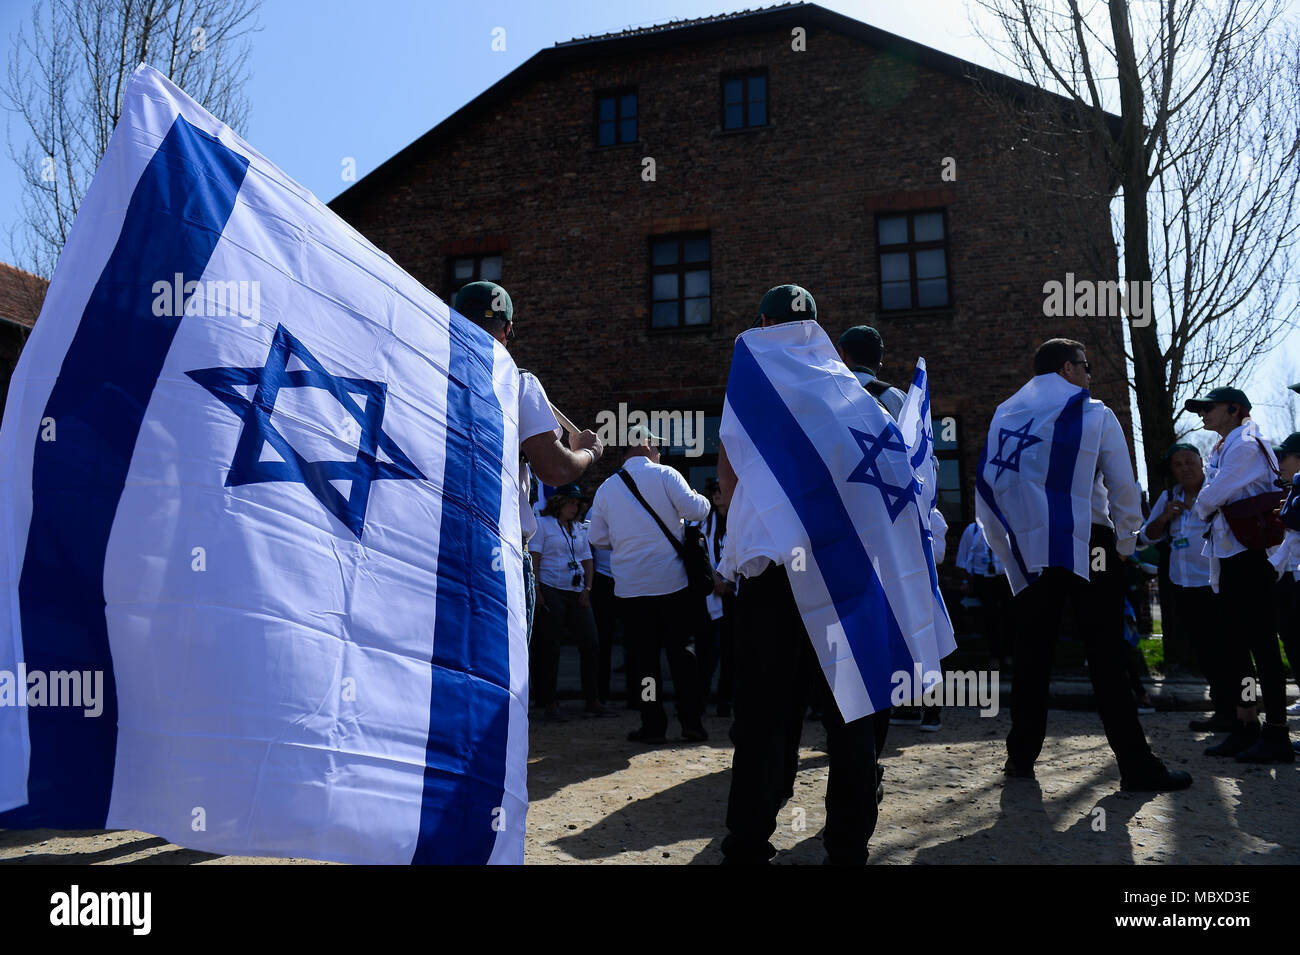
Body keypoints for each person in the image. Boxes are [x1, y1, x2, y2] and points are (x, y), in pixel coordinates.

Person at [718, 285, 886, 865]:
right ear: (817, 325)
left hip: (771, 574)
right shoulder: (852, 393)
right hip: (843, 567)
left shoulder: (750, 383)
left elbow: (729, 483)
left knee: (764, 713)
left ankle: (747, 838)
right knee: (851, 711)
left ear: (760, 322)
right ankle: (846, 844)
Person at [977, 338, 1192, 792]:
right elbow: (1122, 483)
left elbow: (993, 482)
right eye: (1086, 365)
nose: (1090, 374)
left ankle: (1021, 757)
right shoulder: (1094, 414)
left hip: (1035, 544)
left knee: (1032, 652)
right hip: (1088, 541)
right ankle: (1135, 764)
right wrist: (1128, 540)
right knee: (1106, 654)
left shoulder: (1006, 416)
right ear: (1067, 369)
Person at [451, 282, 602, 644]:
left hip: (440, 538)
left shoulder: (428, 377)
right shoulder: (517, 384)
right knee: (501, 664)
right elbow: (557, 470)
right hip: (498, 547)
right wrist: (588, 451)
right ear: (506, 332)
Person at [1185, 387, 1292, 762]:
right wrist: (1208, 497)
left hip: (1251, 559)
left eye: (1208, 408)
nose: (1202, 415)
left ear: (1234, 409)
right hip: (1231, 557)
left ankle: (1277, 731)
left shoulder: (1246, 446)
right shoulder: (1225, 447)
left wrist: (1207, 498)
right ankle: (1247, 724)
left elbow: (1209, 499)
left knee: (1262, 647)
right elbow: (1211, 497)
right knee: (1238, 650)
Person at [586, 425, 711, 743]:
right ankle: (691, 721)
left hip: (631, 589)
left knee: (645, 662)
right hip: (672, 584)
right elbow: (697, 509)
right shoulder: (666, 474)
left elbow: (597, 538)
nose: (659, 452)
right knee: (682, 656)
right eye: (657, 446)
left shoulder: (606, 488)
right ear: (645, 444)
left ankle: (652, 724)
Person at [1140, 443, 1239, 733]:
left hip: (1217, 583)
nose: (1184, 468)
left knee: (1230, 650)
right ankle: (1223, 711)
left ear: (1201, 461)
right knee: (1205, 651)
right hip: (1183, 585)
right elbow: (1147, 537)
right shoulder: (1169, 497)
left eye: (1189, 461)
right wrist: (1164, 516)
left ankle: (1242, 711)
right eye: (1177, 465)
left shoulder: (1217, 490)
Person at [529, 482, 612, 720]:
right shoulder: (543, 525)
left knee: (591, 644)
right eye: (572, 502)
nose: (576, 507)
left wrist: (587, 588)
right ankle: (549, 702)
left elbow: (587, 560)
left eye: (578, 503)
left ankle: (592, 700)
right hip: (550, 586)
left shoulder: (578, 528)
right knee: (549, 646)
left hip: (576, 590)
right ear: (559, 503)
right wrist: (537, 588)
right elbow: (535, 557)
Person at [696, 478, 736, 717]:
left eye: (721, 490)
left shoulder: (738, 521)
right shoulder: (705, 523)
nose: (717, 495)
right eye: (714, 491)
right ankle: (702, 694)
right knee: (708, 648)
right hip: (712, 592)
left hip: (734, 593)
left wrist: (730, 583)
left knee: (731, 649)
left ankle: (725, 698)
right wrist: (716, 580)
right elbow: (701, 554)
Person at [957, 520, 1013, 672]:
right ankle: (995, 655)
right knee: (991, 617)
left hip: (1005, 577)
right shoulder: (973, 530)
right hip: (983, 579)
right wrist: (966, 581)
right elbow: (963, 559)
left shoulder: (1007, 526)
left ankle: (1008, 654)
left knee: (1010, 615)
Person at [1272, 432, 1300, 726]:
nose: (1278, 463)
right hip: (1291, 575)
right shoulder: (1293, 488)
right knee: (1291, 640)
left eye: (1283, 457)